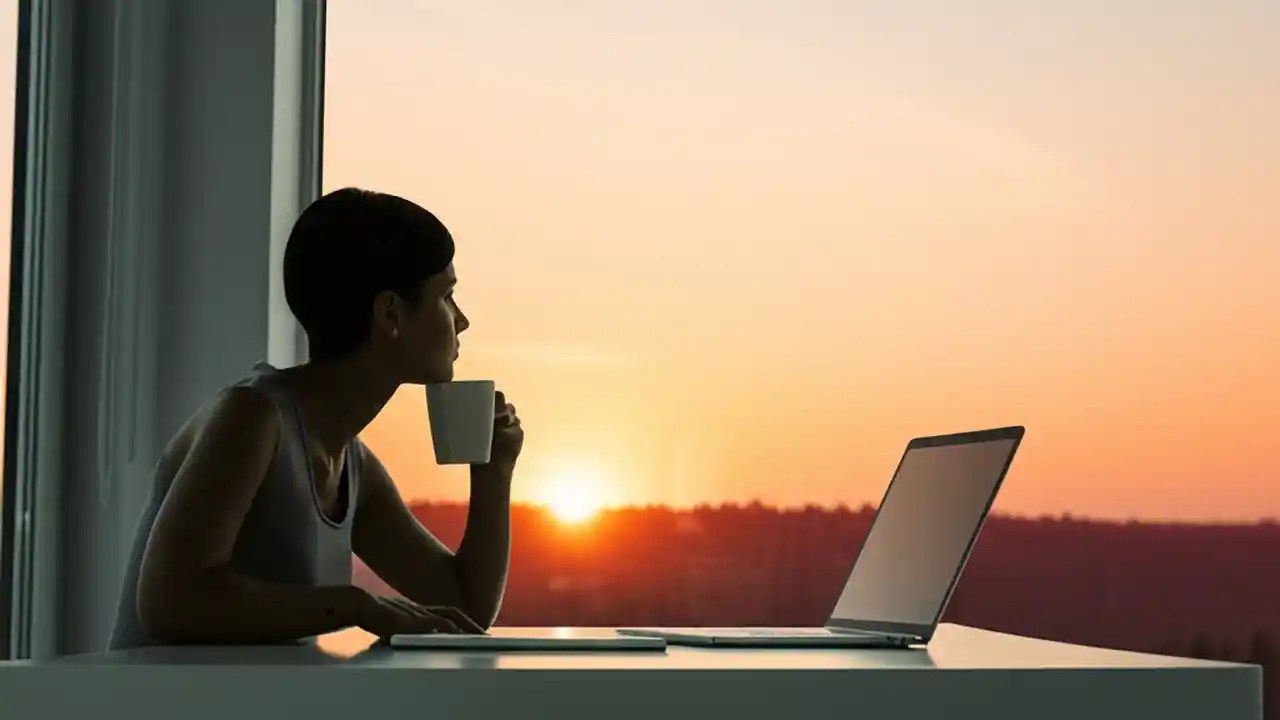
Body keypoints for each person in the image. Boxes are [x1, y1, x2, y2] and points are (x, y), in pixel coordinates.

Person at [108, 188, 523, 648]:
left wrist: (492, 473)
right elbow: (172, 604)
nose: (461, 320)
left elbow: (466, 607)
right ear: (391, 313)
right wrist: (355, 605)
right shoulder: (252, 418)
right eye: (446, 296)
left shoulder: (350, 462)